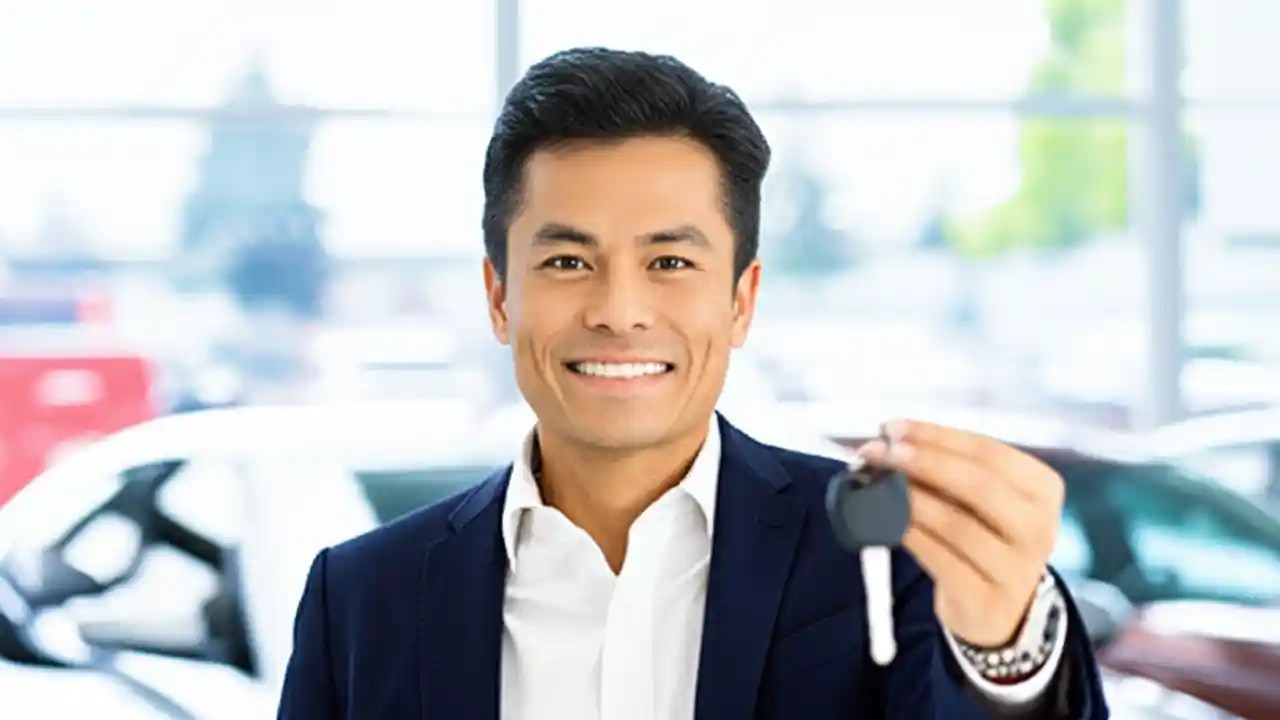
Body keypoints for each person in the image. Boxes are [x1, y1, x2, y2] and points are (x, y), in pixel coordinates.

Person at [277, 47, 1108, 719]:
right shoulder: (362, 600)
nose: (620, 309)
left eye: (670, 261)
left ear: (741, 300)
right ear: (500, 296)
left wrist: (1007, 651)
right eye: (568, 261)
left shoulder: (891, 561)